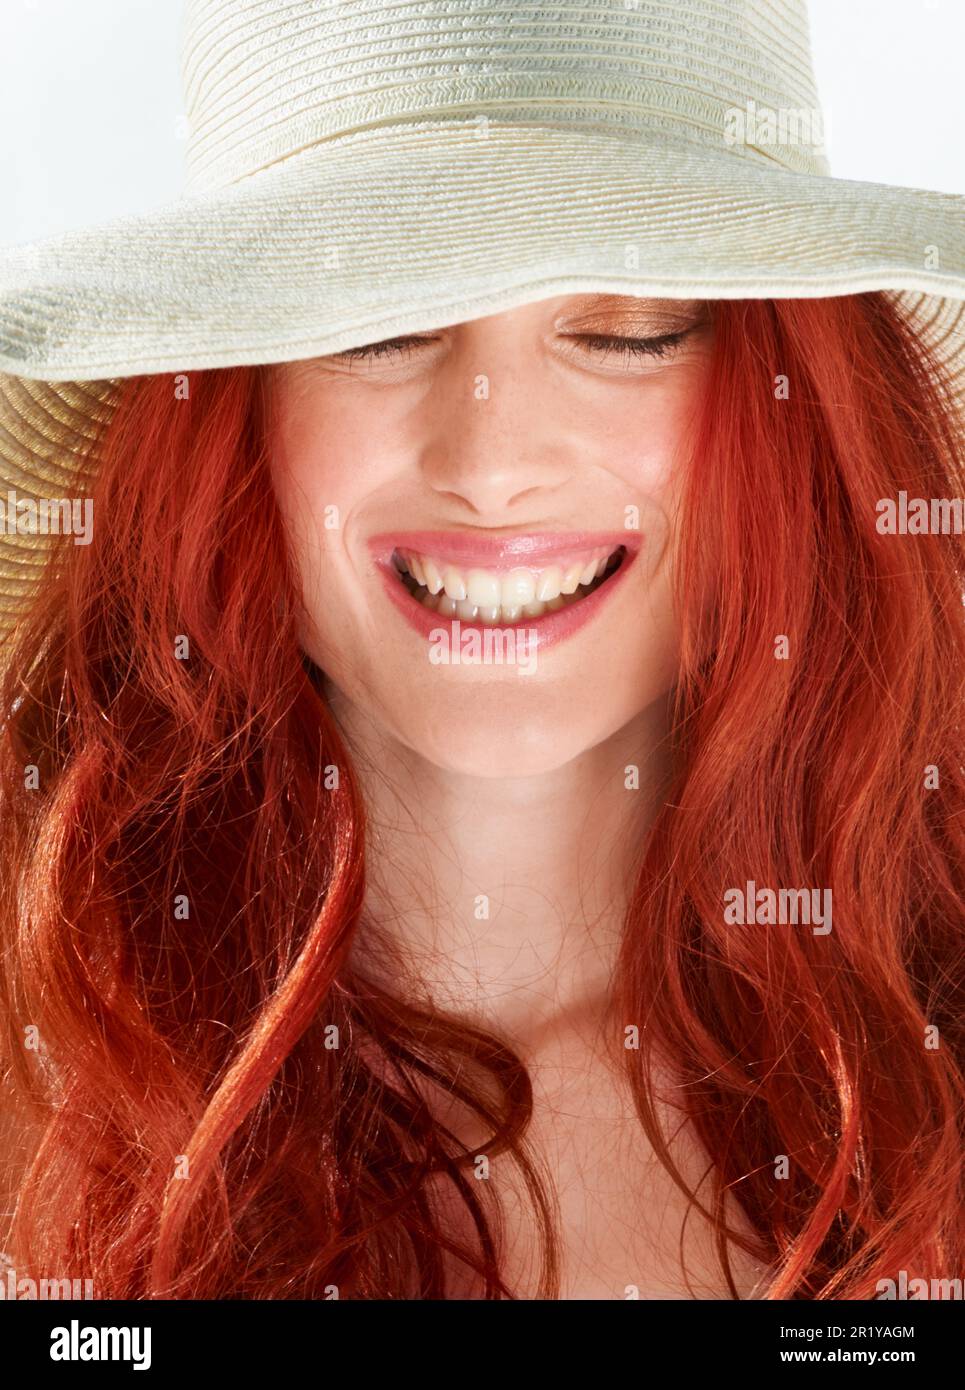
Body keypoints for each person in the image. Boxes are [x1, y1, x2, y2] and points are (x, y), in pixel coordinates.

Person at [0, 0, 963, 1301]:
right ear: (237, 412)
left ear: (792, 405)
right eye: (378, 327)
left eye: (625, 333)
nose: (492, 464)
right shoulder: (34, 1072)